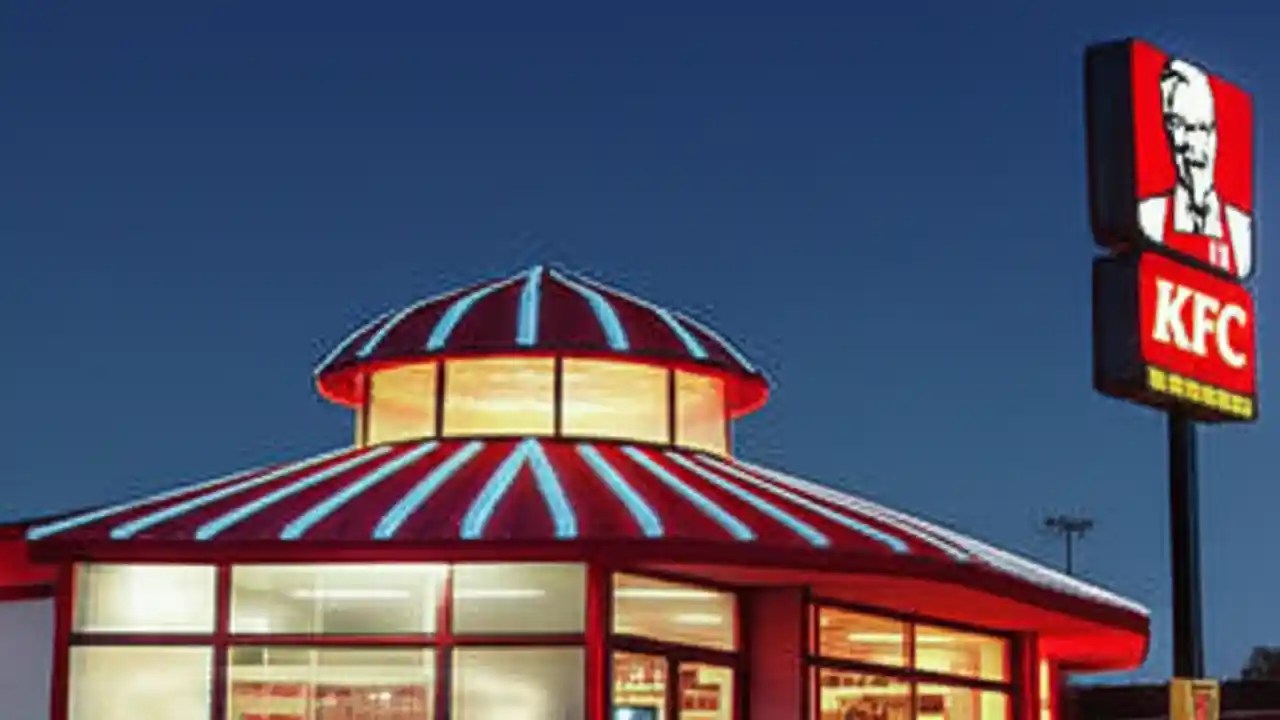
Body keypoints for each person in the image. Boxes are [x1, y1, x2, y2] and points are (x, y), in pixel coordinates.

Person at [1137, 57, 1252, 278]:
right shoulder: (1149, 216)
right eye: (1175, 125)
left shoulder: (1239, 232)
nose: (1186, 142)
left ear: (1216, 134)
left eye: (1199, 128)